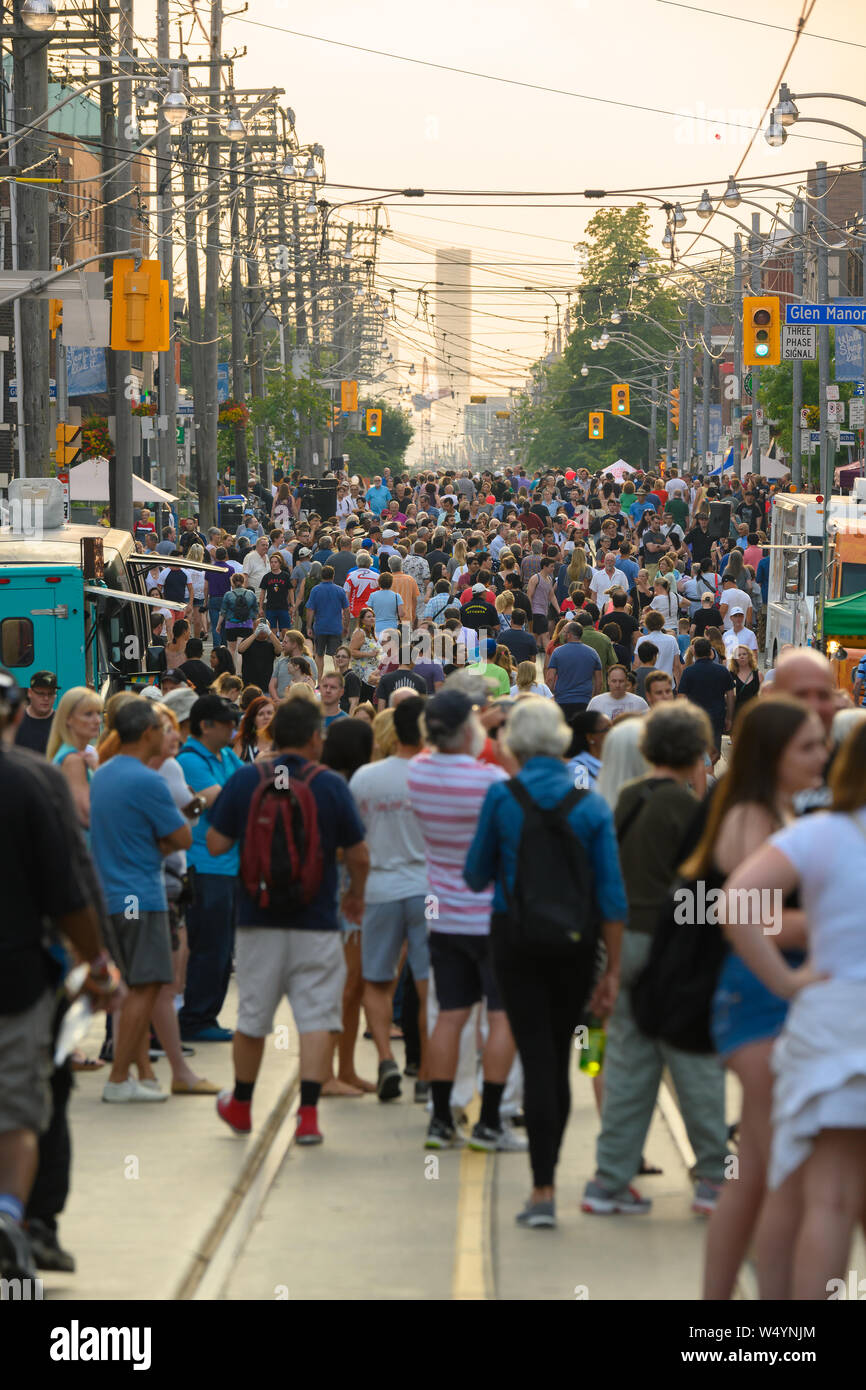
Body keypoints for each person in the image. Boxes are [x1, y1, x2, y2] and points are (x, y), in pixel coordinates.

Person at [681, 698, 828, 1300]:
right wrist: (825, 925)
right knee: (775, 1174)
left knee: (763, 1176)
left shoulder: (770, 810)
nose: (823, 756)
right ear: (775, 755)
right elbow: (740, 913)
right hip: (760, 995)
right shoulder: (752, 815)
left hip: (766, 994)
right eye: (809, 747)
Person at [465, 697, 626, 1228]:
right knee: (561, 1057)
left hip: (515, 940)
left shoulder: (501, 797)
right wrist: (612, 972)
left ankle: (541, 1192)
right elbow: (612, 898)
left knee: (535, 1057)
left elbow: (473, 875)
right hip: (576, 945)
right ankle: (551, 1181)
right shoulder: (592, 804)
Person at [719, 719, 866, 1299]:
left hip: (831, 1022)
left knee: (827, 1198)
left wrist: (787, 979)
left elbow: (735, 904)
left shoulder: (818, 834)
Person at [582, 701, 729, 1217]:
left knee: (629, 1062)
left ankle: (610, 1179)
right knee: (694, 1061)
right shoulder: (687, 810)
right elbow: (701, 893)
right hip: (671, 949)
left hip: (622, 942)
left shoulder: (626, 797)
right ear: (698, 752)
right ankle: (713, 1175)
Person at [207, 696, 370, 1146]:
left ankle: (240, 1104)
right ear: (316, 739)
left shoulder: (246, 779)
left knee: (253, 1016)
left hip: (257, 919)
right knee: (317, 1016)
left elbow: (218, 845)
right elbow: (359, 855)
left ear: (271, 736)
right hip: (316, 920)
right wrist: (355, 896)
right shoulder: (330, 785)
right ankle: (310, 1115)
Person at [0, 672, 119, 1281]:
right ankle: (24, 1223)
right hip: (19, 978)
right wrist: (98, 963)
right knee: (27, 1110)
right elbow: (71, 888)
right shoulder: (35, 782)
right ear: (15, 715)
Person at [406, 689, 525, 1152]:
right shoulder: (491, 782)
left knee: (449, 1017)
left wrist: (473, 722)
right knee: (500, 1020)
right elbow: (519, 792)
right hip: (492, 916)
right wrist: (494, 733)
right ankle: (491, 1122)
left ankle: (439, 1120)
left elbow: (434, 750)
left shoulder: (418, 773)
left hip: (445, 917)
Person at [89, 699, 192, 1102]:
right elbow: (182, 837)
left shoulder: (105, 772)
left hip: (111, 894)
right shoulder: (148, 781)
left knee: (131, 985)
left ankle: (140, 1073)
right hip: (140, 895)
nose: (168, 735)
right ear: (147, 733)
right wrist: (159, 838)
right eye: (161, 728)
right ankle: (118, 1079)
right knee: (146, 985)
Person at [349, 697, 430, 1103]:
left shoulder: (365, 777)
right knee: (427, 981)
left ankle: (385, 1059)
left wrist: (353, 891)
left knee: (377, 980)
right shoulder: (438, 777)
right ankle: (427, 1072)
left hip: (379, 888)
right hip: (428, 892)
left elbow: (352, 842)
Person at [176, 696, 244, 1043]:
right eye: (228, 723)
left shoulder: (226, 754)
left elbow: (244, 788)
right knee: (209, 946)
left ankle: (206, 1016)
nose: (234, 728)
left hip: (228, 865)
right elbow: (224, 796)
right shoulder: (189, 761)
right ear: (206, 726)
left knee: (222, 946)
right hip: (204, 865)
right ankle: (196, 1018)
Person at [46, 687, 102, 830]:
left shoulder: (73, 754)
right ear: (68, 719)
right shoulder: (73, 760)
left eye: (98, 713)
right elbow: (86, 815)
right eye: (88, 714)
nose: (97, 720)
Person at [677, 637, 735, 759]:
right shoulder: (722, 670)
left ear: (694, 652)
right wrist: (729, 717)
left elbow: (681, 696)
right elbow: (730, 695)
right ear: (710, 652)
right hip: (717, 715)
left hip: (695, 717)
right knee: (714, 753)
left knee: (695, 753)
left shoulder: (688, 672)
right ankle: (710, 773)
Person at [546, 622, 603, 720]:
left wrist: (551, 695)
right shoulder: (592, 653)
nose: (562, 634)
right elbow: (599, 681)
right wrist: (594, 697)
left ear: (569, 635)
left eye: (564, 632)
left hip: (562, 700)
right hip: (584, 700)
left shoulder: (558, 652)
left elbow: (550, 678)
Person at [306, 564, 350, 680]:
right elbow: (346, 610)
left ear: (321, 576)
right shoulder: (340, 590)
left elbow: (310, 609)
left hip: (320, 626)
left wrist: (308, 626)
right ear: (333, 576)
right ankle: (338, 678)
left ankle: (319, 679)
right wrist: (346, 626)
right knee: (337, 655)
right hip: (335, 627)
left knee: (319, 654)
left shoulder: (315, 590)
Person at [13, 670, 58, 755]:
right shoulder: (16, 720)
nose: (46, 698)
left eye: (50, 693)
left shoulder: (61, 722)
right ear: (30, 693)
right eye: (41, 693)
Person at [258, 552, 293, 633]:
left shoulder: (285, 576)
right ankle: (273, 645)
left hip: (283, 606)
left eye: (275, 562)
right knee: (272, 631)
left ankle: (283, 645)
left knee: (285, 631)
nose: (273, 564)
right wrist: (260, 607)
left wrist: (292, 604)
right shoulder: (267, 577)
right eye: (272, 562)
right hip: (271, 607)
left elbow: (290, 590)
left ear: (279, 563)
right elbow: (262, 593)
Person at [233, 696, 275, 763]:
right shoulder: (243, 742)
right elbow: (233, 770)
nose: (266, 717)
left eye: (269, 713)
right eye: (261, 714)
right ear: (253, 719)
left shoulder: (282, 743)